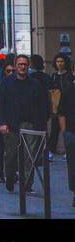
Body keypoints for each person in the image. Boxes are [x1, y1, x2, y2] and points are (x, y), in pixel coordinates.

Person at [0, 54, 51, 194]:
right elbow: (1, 104)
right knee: (11, 155)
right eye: (20, 64)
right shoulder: (6, 83)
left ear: (28, 66)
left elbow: (44, 104)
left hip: (31, 124)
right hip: (11, 124)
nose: (22, 67)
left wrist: (43, 124)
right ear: (15, 65)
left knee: (29, 156)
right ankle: (10, 177)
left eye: (25, 64)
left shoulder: (35, 84)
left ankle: (26, 184)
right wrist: (2, 123)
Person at [52, 54, 74, 207]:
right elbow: (61, 112)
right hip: (72, 131)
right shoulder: (70, 89)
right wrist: (65, 132)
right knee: (73, 164)